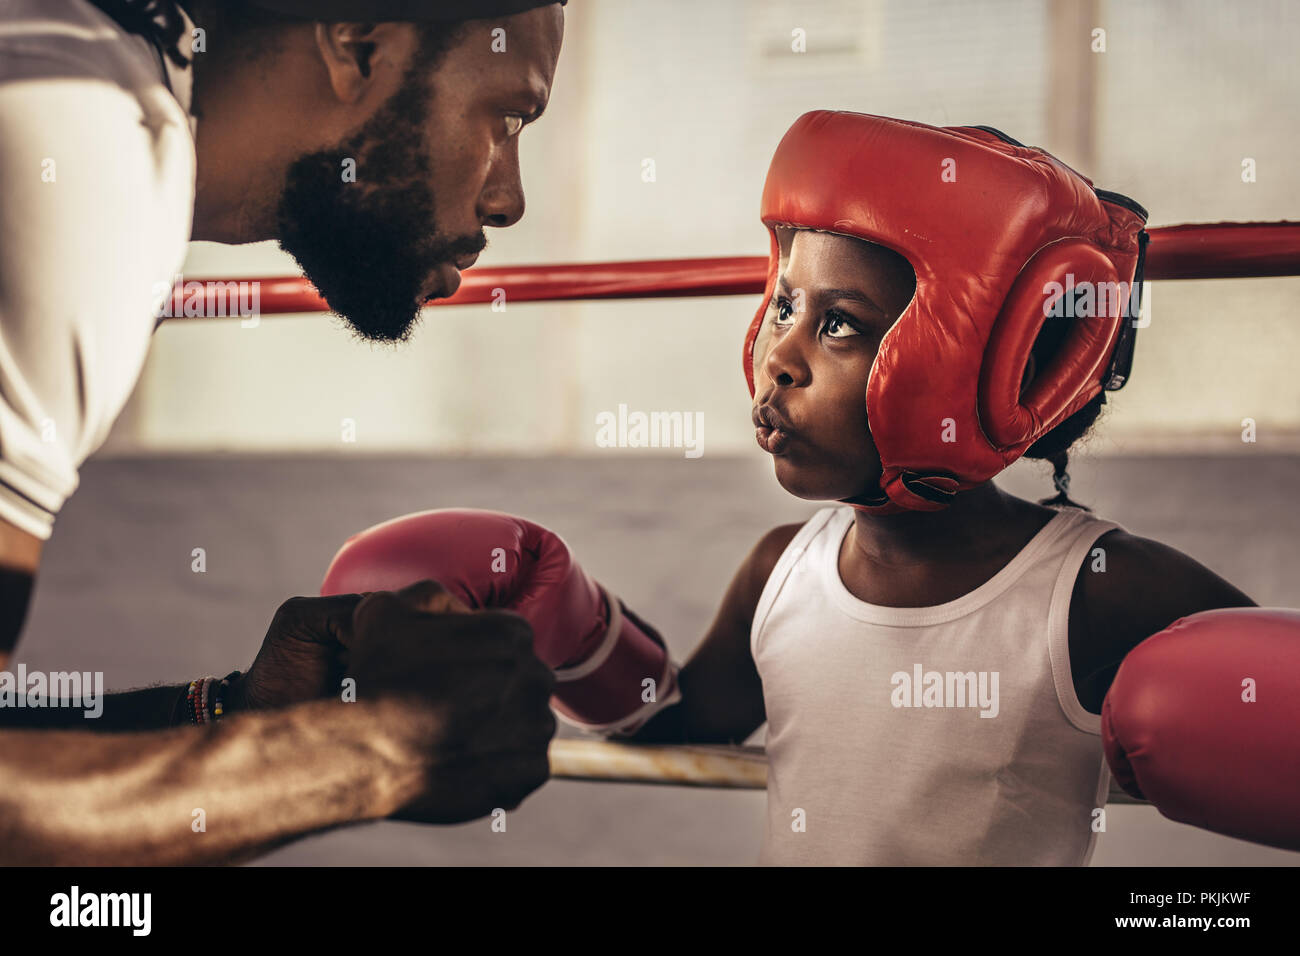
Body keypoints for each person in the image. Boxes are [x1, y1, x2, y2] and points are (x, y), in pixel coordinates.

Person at [0, 0, 565, 864]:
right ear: (358, 45)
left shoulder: (87, 77)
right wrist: (368, 756)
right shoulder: (93, 148)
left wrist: (234, 715)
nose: (509, 197)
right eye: (509, 117)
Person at [622, 111, 1265, 864]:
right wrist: (566, 633)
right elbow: (677, 722)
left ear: (972, 365)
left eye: (840, 326)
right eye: (787, 305)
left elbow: (1273, 697)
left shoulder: (1089, 588)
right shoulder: (779, 572)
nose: (780, 359)